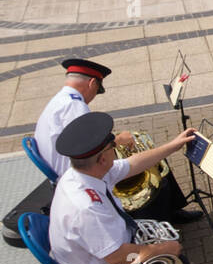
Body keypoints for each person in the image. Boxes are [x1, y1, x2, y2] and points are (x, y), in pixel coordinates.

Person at [48, 113, 213, 264]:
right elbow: (117, 257)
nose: (116, 148)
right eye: (112, 146)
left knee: (165, 245)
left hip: (104, 254)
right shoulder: (84, 207)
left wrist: (174, 145)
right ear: (102, 157)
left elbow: (132, 165)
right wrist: (165, 249)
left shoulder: (86, 172)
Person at [34, 55, 200, 224]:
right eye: (96, 90)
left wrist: (173, 145)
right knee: (156, 177)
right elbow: (88, 146)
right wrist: (117, 140)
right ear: (92, 83)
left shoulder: (61, 100)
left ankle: (173, 211)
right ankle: (162, 225)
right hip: (77, 173)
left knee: (153, 158)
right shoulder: (75, 107)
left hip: (73, 170)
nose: (93, 97)